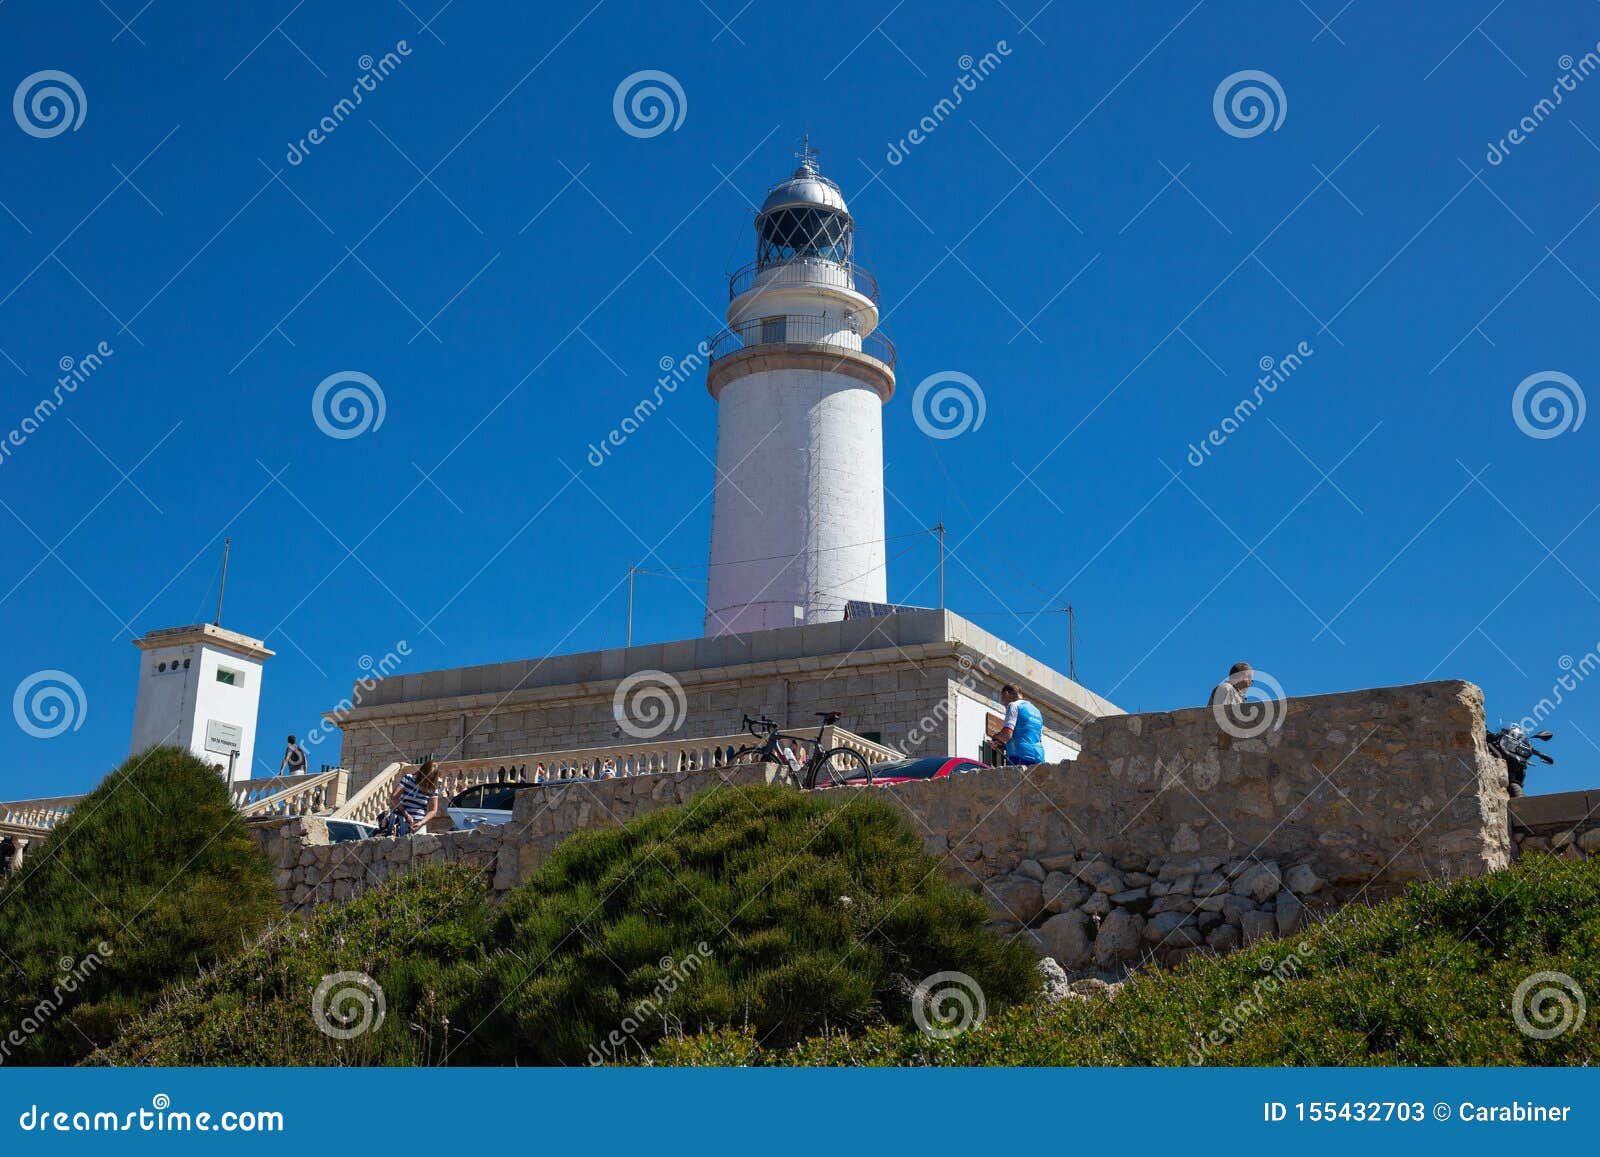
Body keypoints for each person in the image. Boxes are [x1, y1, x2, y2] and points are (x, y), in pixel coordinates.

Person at [379, 756, 440, 836]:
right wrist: (406, 814)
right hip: (400, 820)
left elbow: (433, 810)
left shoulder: (433, 788)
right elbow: (394, 797)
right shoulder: (408, 778)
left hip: (418, 823)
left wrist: (421, 823)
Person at [996, 684, 1046, 767]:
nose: (1003, 703)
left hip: (1019, 757)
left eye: (1003, 699)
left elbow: (1007, 734)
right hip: (1039, 758)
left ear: (1007, 694)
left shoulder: (1013, 705)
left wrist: (996, 738)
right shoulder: (1037, 712)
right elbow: (1037, 739)